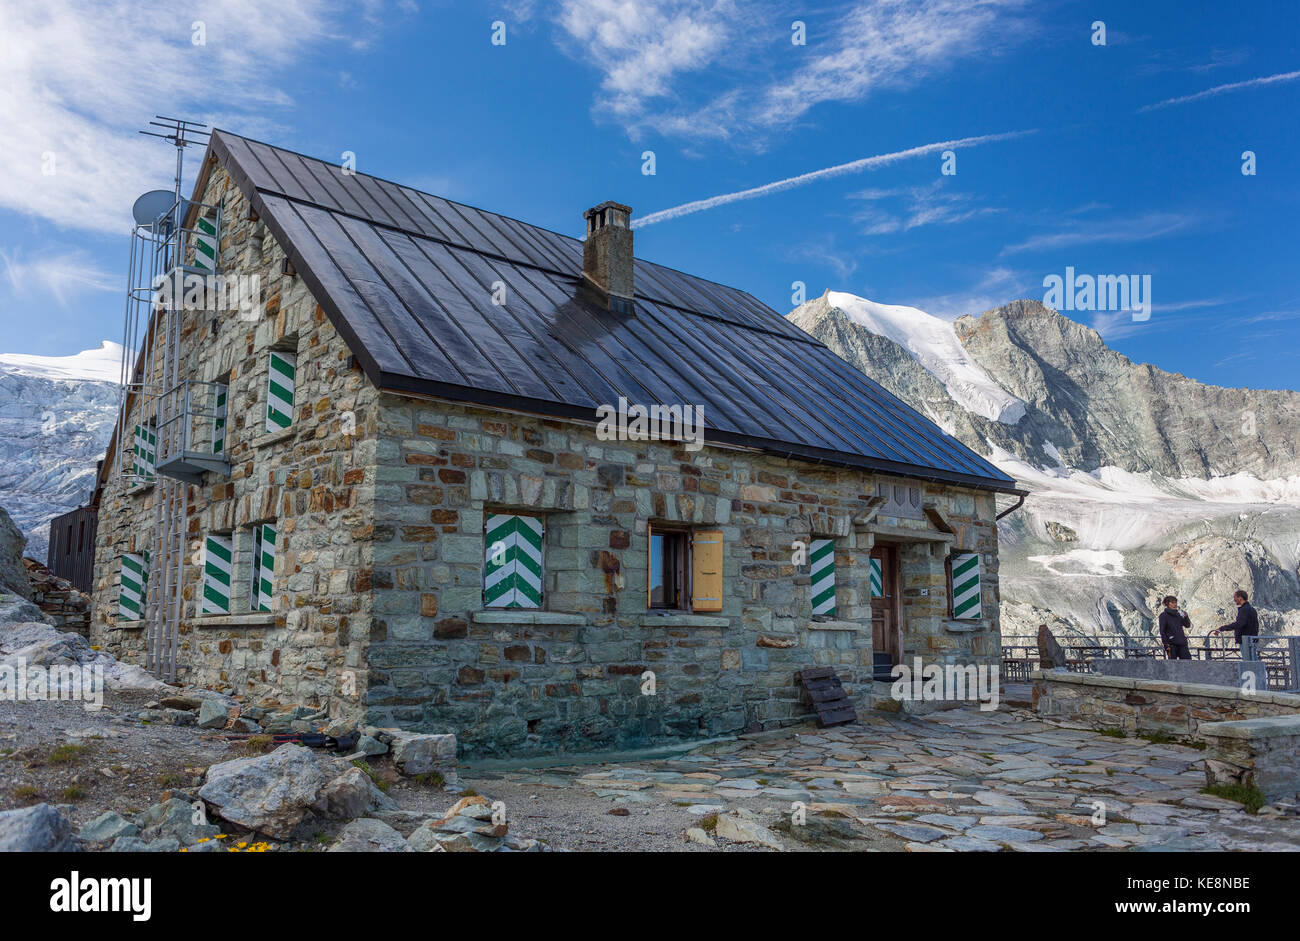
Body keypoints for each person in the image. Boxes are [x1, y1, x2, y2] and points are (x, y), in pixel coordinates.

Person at [1157, 595, 1192, 660]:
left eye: (1175, 602)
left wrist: (1186, 617)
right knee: (1173, 665)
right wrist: (1166, 644)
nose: (1175, 604)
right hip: (1171, 644)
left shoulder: (1178, 614)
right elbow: (1162, 631)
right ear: (1167, 604)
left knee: (1188, 663)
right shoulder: (1163, 616)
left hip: (1182, 643)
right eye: (1172, 602)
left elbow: (1187, 625)